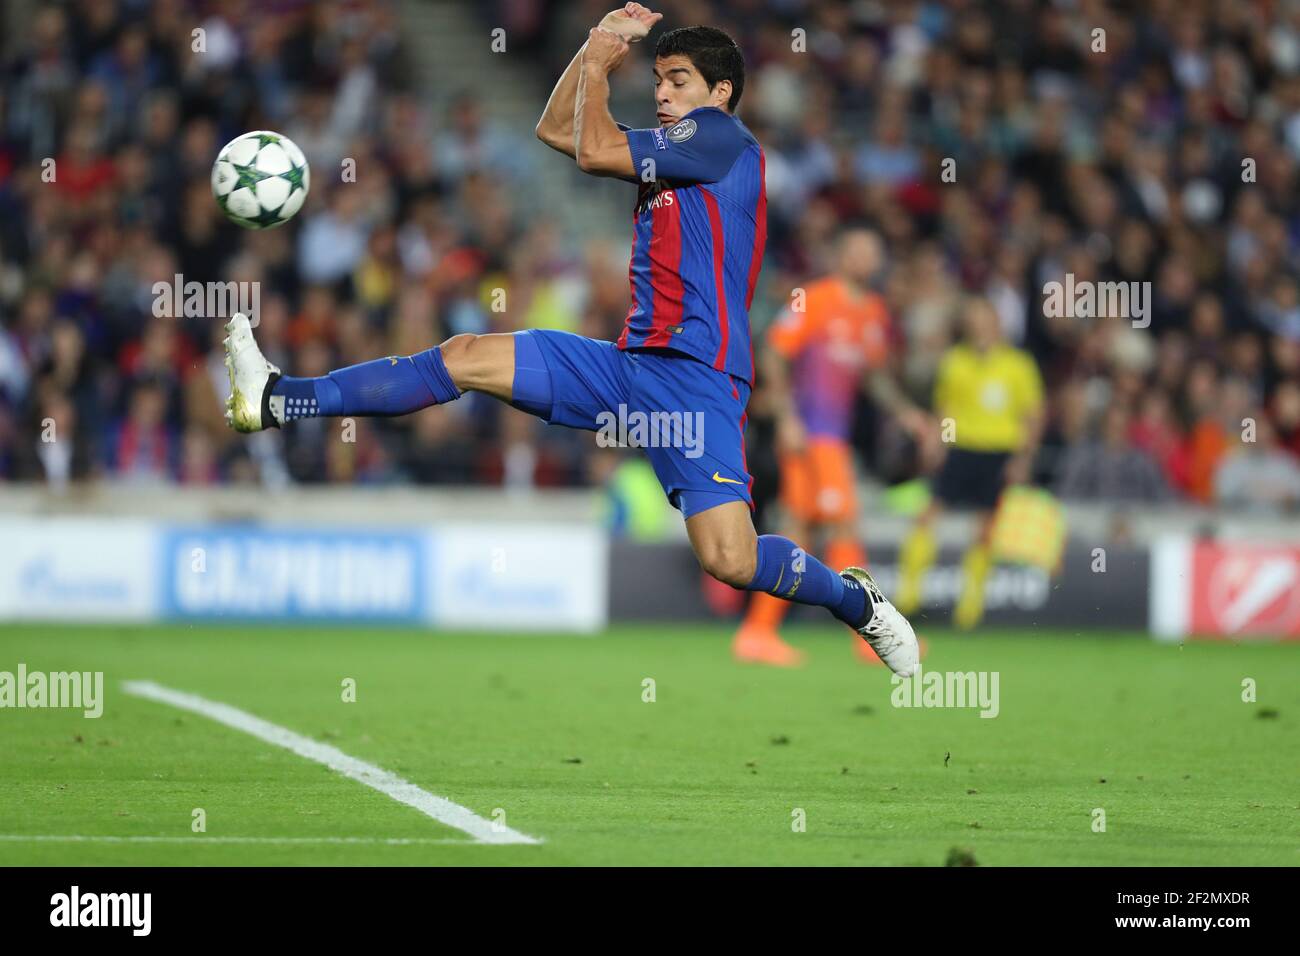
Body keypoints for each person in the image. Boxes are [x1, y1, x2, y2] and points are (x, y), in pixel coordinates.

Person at [221, 4, 919, 675]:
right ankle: (278, 398)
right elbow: (558, 132)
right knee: (465, 355)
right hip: (626, 365)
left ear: (721, 91)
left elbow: (589, 150)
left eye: (679, 82)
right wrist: (593, 50)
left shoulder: (721, 139)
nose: (665, 94)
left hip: (697, 379)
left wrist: (604, 63)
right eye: (660, 81)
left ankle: (855, 600)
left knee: (730, 560)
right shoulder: (671, 150)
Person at [733, 227, 930, 666]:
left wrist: (906, 412)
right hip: (810, 435)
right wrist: (786, 417)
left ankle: (757, 633)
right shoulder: (814, 298)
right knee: (842, 526)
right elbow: (773, 351)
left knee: (800, 530)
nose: (866, 258)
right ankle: (868, 636)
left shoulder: (874, 312)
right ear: (842, 255)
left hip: (832, 437)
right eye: (858, 249)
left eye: (872, 251)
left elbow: (875, 376)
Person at [896, 296, 1044, 630]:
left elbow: (1032, 415)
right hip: (961, 449)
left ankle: (969, 611)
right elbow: (947, 409)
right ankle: (908, 598)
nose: (978, 328)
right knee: (927, 516)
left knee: (985, 529)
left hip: (999, 452)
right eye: (972, 321)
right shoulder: (955, 361)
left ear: (996, 324)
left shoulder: (1017, 365)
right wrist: (942, 443)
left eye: (984, 321)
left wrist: (1023, 457)